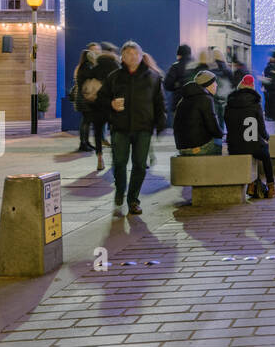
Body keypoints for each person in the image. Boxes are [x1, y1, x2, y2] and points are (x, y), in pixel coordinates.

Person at [96, 41, 166, 218]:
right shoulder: (115, 77)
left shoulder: (153, 77)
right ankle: (120, 191)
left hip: (143, 127)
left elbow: (159, 103)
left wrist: (160, 123)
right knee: (119, 163)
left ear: (141, 56)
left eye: (136, 54)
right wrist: (111, 104)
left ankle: (133, 200)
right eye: (128, 54)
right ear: (123, 57)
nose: (132, 57)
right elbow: (101, 100)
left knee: (140, 165)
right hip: (120, 128)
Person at [225, 74, 275, 199]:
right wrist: (266, 137)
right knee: (264, 153)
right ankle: (271, 188)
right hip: (252, 143)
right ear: (252, 87)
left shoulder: (229, 104)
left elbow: (227, 123)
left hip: (234, 146)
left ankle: (252, 185)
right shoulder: (255, 104)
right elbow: (262, 128)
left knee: (254, 148)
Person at [174, 70, 224, 155]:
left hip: (182, 148)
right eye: (214, 82)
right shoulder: (206, 99)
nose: (216, 85)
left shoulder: (183, 100)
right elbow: (213, 127)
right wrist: (223, 135)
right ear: (208, 85)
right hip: (199, 148)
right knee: (223, 146)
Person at [163, 44, 194, 121]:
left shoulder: (175, 67)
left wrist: (177, 86)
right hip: (195, 103)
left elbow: (167, 84)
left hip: (179, 102)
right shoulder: (197, 66)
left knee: (179, 128)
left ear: (179, 55)